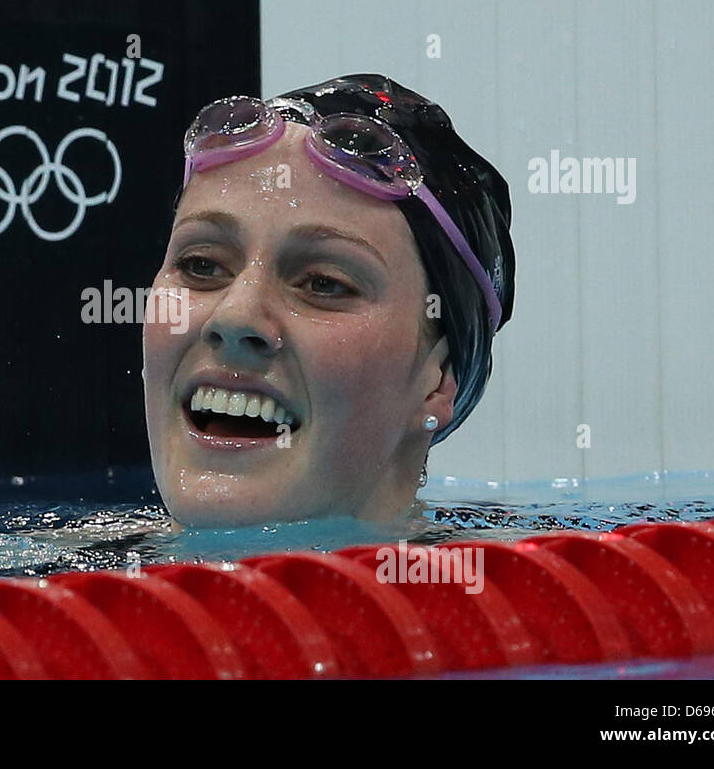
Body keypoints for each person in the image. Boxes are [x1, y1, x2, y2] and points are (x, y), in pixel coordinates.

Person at [141, 74, 514, 527]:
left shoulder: (523, 588)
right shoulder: (44, 576)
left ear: (438, 381)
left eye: (324, 284)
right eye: (202, 265)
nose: (235, 316)